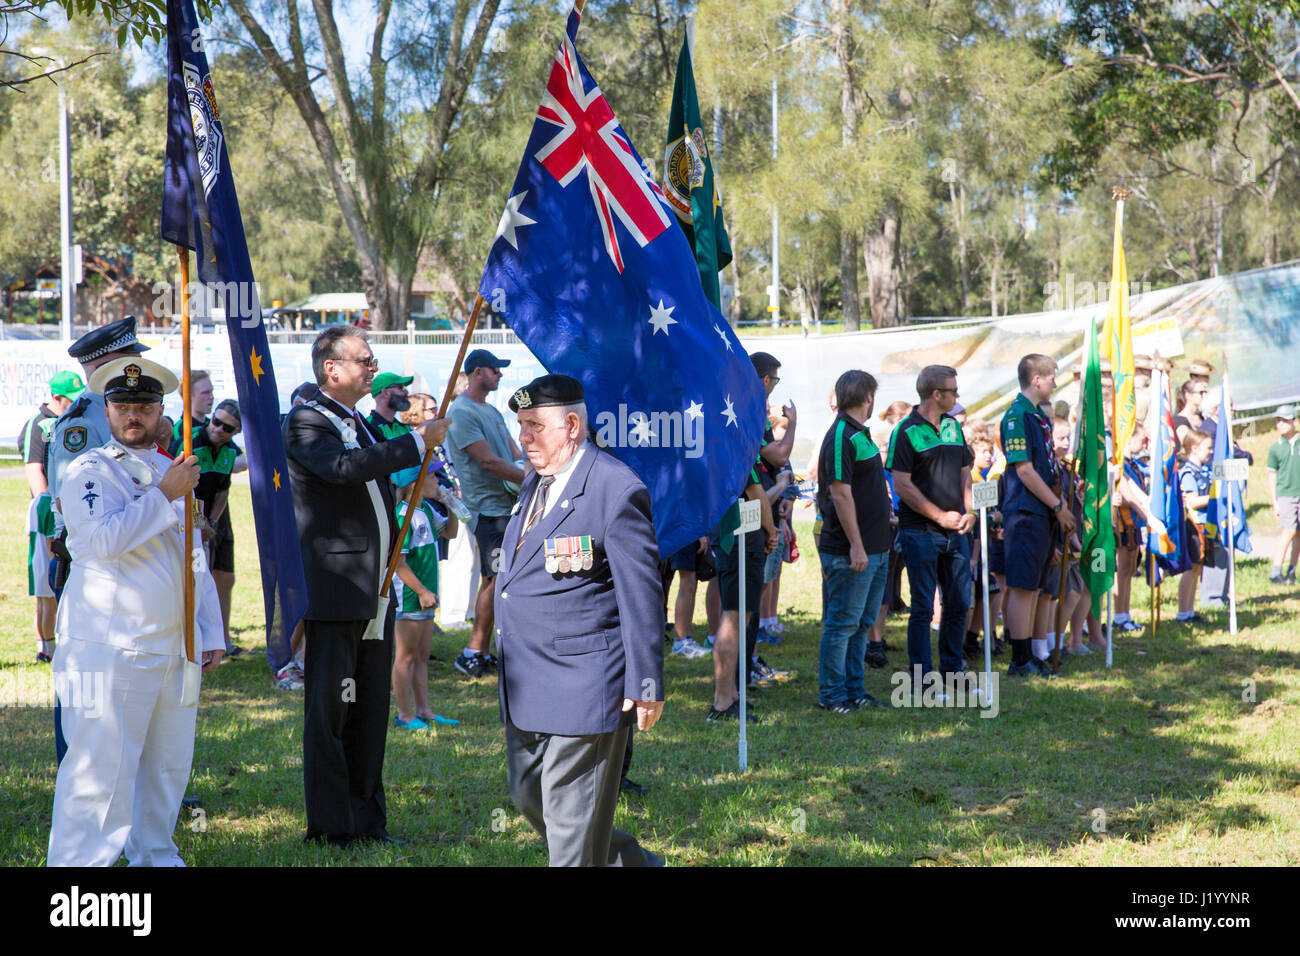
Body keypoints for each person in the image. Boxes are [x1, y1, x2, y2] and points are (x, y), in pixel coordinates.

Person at [47, 356, 223, 866]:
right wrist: (163, 498)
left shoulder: (173, 468)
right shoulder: (90, 471)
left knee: (166, 770)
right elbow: (100, 542)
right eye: (123, 405)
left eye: (144, 405)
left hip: (172, 645)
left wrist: (207, 630)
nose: (133, 415)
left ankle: (157, 859)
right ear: (107, 410)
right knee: (99, 775)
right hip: (110, 646)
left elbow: (192, 556)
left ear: (160, 410)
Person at [283, 325, 450, 846]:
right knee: (331, 714)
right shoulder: (307, 421)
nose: (372, 367)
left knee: (371, 709)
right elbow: (342, 469)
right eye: (363, 360)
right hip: (336, 589)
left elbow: (383, 472)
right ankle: (332, 829)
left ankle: (368, 822)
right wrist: (415, 441)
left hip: (377, 591)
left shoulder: (359, 420)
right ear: (331, 368)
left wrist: (421, 449)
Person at [496, 374, 664, 866]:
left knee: (569, 828)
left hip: (584, 683)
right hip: (527, 681)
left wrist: (647, 680)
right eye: (521, 425)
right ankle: (634, 864)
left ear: (572, 425)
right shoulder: (536, 482)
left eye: (534, 426)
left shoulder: (614, 489)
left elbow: (641, 595)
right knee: (531, 798)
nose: (523, 437)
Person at [46, 316, 153, 765]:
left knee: (131, 673)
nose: (137, 370)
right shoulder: (85, 422)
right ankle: (80, 770)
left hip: (133, 552)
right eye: (129, 361)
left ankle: (133, 774)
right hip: (92, 558)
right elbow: (79, 504)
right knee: (88, 675)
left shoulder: (122, 412)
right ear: (106, 363)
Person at [887, 365, 975, 689]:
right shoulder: (905, 431)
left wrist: (970, 509)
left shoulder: (954, 425)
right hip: (919, 532)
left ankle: (952, 673)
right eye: (953, 390)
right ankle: (921, 679)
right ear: (936, 394)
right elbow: (902, 485)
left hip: (958, 531)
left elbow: (966, 470)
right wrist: (939, 516)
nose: (957, 395)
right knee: (923, 606)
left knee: (958, 603)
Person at [445, 349, 525, 678]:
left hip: (506, 507)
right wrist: (535, 479)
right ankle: (472, 652)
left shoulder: (490, 410)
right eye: (495, 370)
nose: (500, 375)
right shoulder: (462, 412)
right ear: (477, 372)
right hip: (489, 511)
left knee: (499, 580)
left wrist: (531, 468)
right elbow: (488, 461)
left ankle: (485, 651)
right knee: (494, 581)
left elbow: (513, 451)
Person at [815, 370, 890, 713]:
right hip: (851, 552)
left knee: (861, 623)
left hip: (877, 546)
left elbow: (864, 488)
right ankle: (832, 695)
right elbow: (840, 495)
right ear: (868, 398)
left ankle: (854, 689)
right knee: (843, 623)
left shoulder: (861, 433)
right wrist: (856, 545)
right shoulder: (841, 434)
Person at [998, 355, 1075, 677]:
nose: (1055, 383)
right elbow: (1025, 470)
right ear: (1036, 380)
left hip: (1041, 511)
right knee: (1022, 586)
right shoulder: (1017, 416)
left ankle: (1029, 652)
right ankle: (1019, 658)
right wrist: (1058, 507)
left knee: (1035, 587)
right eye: (1052, 377)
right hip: (1025, 511)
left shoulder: (1038, 417)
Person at [20, 370, 85, 663]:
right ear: (56, 398)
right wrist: (48, 504)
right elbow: (35, 468)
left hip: (67, 505)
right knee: (45, 580)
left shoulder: (71, 421)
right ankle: (45, 648)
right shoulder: (41, 424)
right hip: (47, 507)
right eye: (69, 399)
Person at [392, 470, 459, 729]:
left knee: (422, 655)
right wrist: (421, 591)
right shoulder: (404, 515)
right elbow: (398, 564)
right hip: (411, 597)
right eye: (432, 477)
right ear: (414, 483)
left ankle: (424, 710)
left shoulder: (428, 511)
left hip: (427, 596)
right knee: (405, 657)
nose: (438, 482)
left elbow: (450, 533)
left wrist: (452, 507)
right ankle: (405, 714)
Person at [193, 399, 245, 655]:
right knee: (195, 583)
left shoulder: (230, 451)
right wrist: (199, 524)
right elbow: (184, 491)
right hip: (188, 522)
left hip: (210, 521)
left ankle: (218, 642)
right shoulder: (191, 440)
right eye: (216, 422)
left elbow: (224, 490)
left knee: (217, 581)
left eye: (227, 428)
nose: (218, 429)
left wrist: (211, 522)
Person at [1175, 429, 1214, 623]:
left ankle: (1190, 610)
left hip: (1203, 524)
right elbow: (1192, 501)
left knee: (1197, 569)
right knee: (1190, 570)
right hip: (1193, 524)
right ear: (1194, 448)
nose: (1211, 451)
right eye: (1208, 447)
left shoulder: (1203, 471)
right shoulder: (1188, 473)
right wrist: (1215, 496)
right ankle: (1183, 612)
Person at [1266, 404, 1300, 584]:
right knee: (1289, 530)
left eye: (1285, 420)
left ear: (1295, 421)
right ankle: (1275, 570)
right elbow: (1272, 476)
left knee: (1298, 534)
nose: (1281, 424)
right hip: (1286, 494)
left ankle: (1292, 571)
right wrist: (1275, 502)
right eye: (1278, 421)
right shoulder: (1275, 448)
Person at [169, 369, 214, 456]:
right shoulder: (180, 429)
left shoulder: (214, 425)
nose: (211, 397)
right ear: (188, 396)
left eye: (211, 391)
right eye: (205, 393)